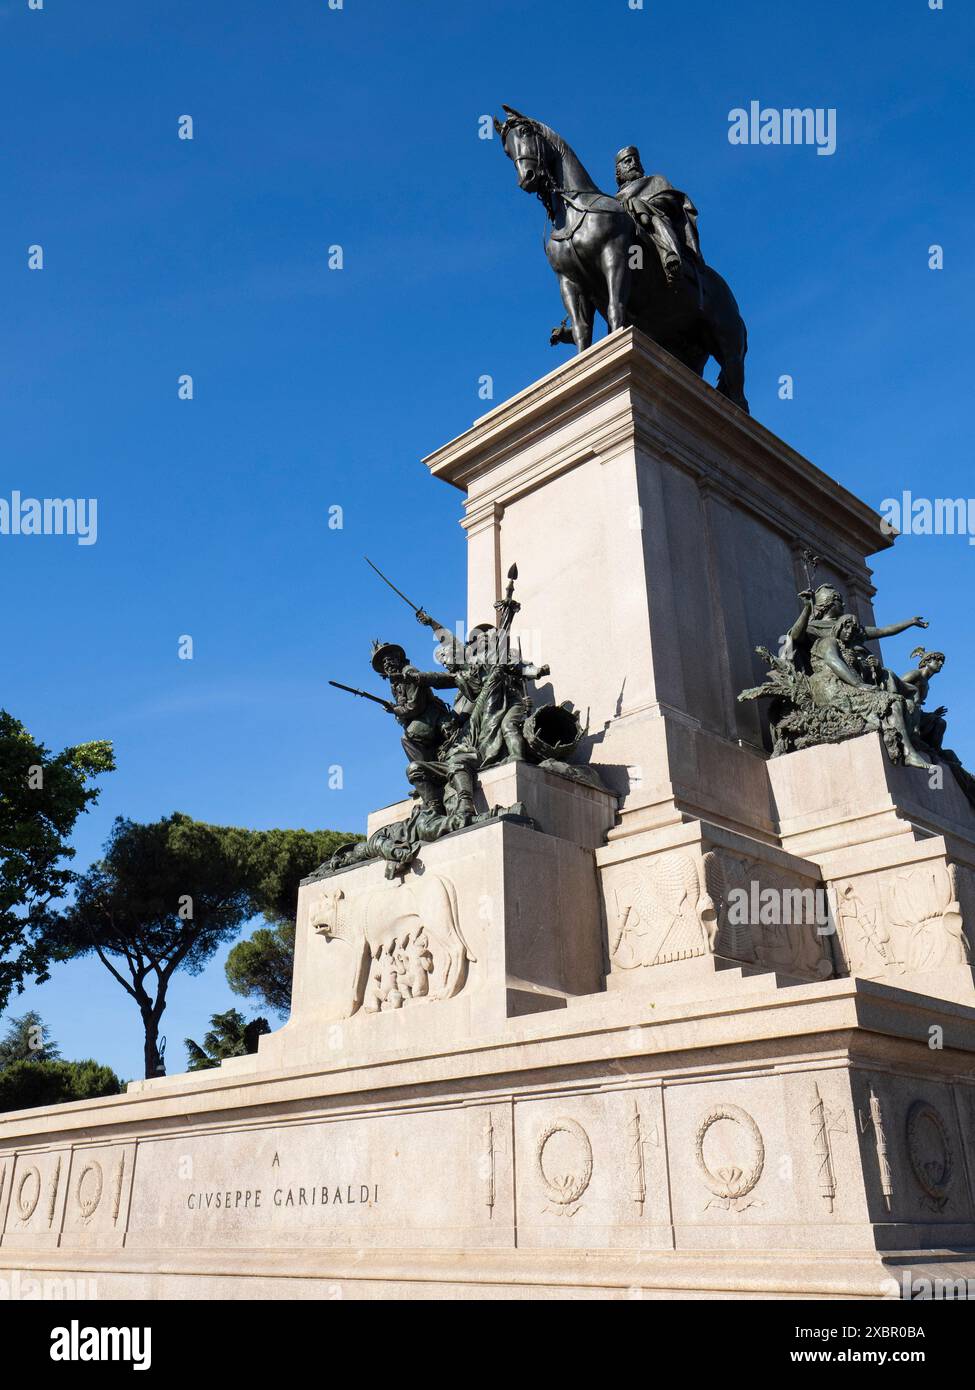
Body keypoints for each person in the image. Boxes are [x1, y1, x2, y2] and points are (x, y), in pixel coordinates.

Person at [614, 145, 701, 287]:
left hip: (656, 220)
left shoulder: (656, 181)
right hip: (633, 241)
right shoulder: (616, 199)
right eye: (628, 161)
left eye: (636, 160)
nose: (633, 163)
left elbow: (672, 200)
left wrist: (645, 204)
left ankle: (671, 258)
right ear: (618, 171)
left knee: (656, 220)